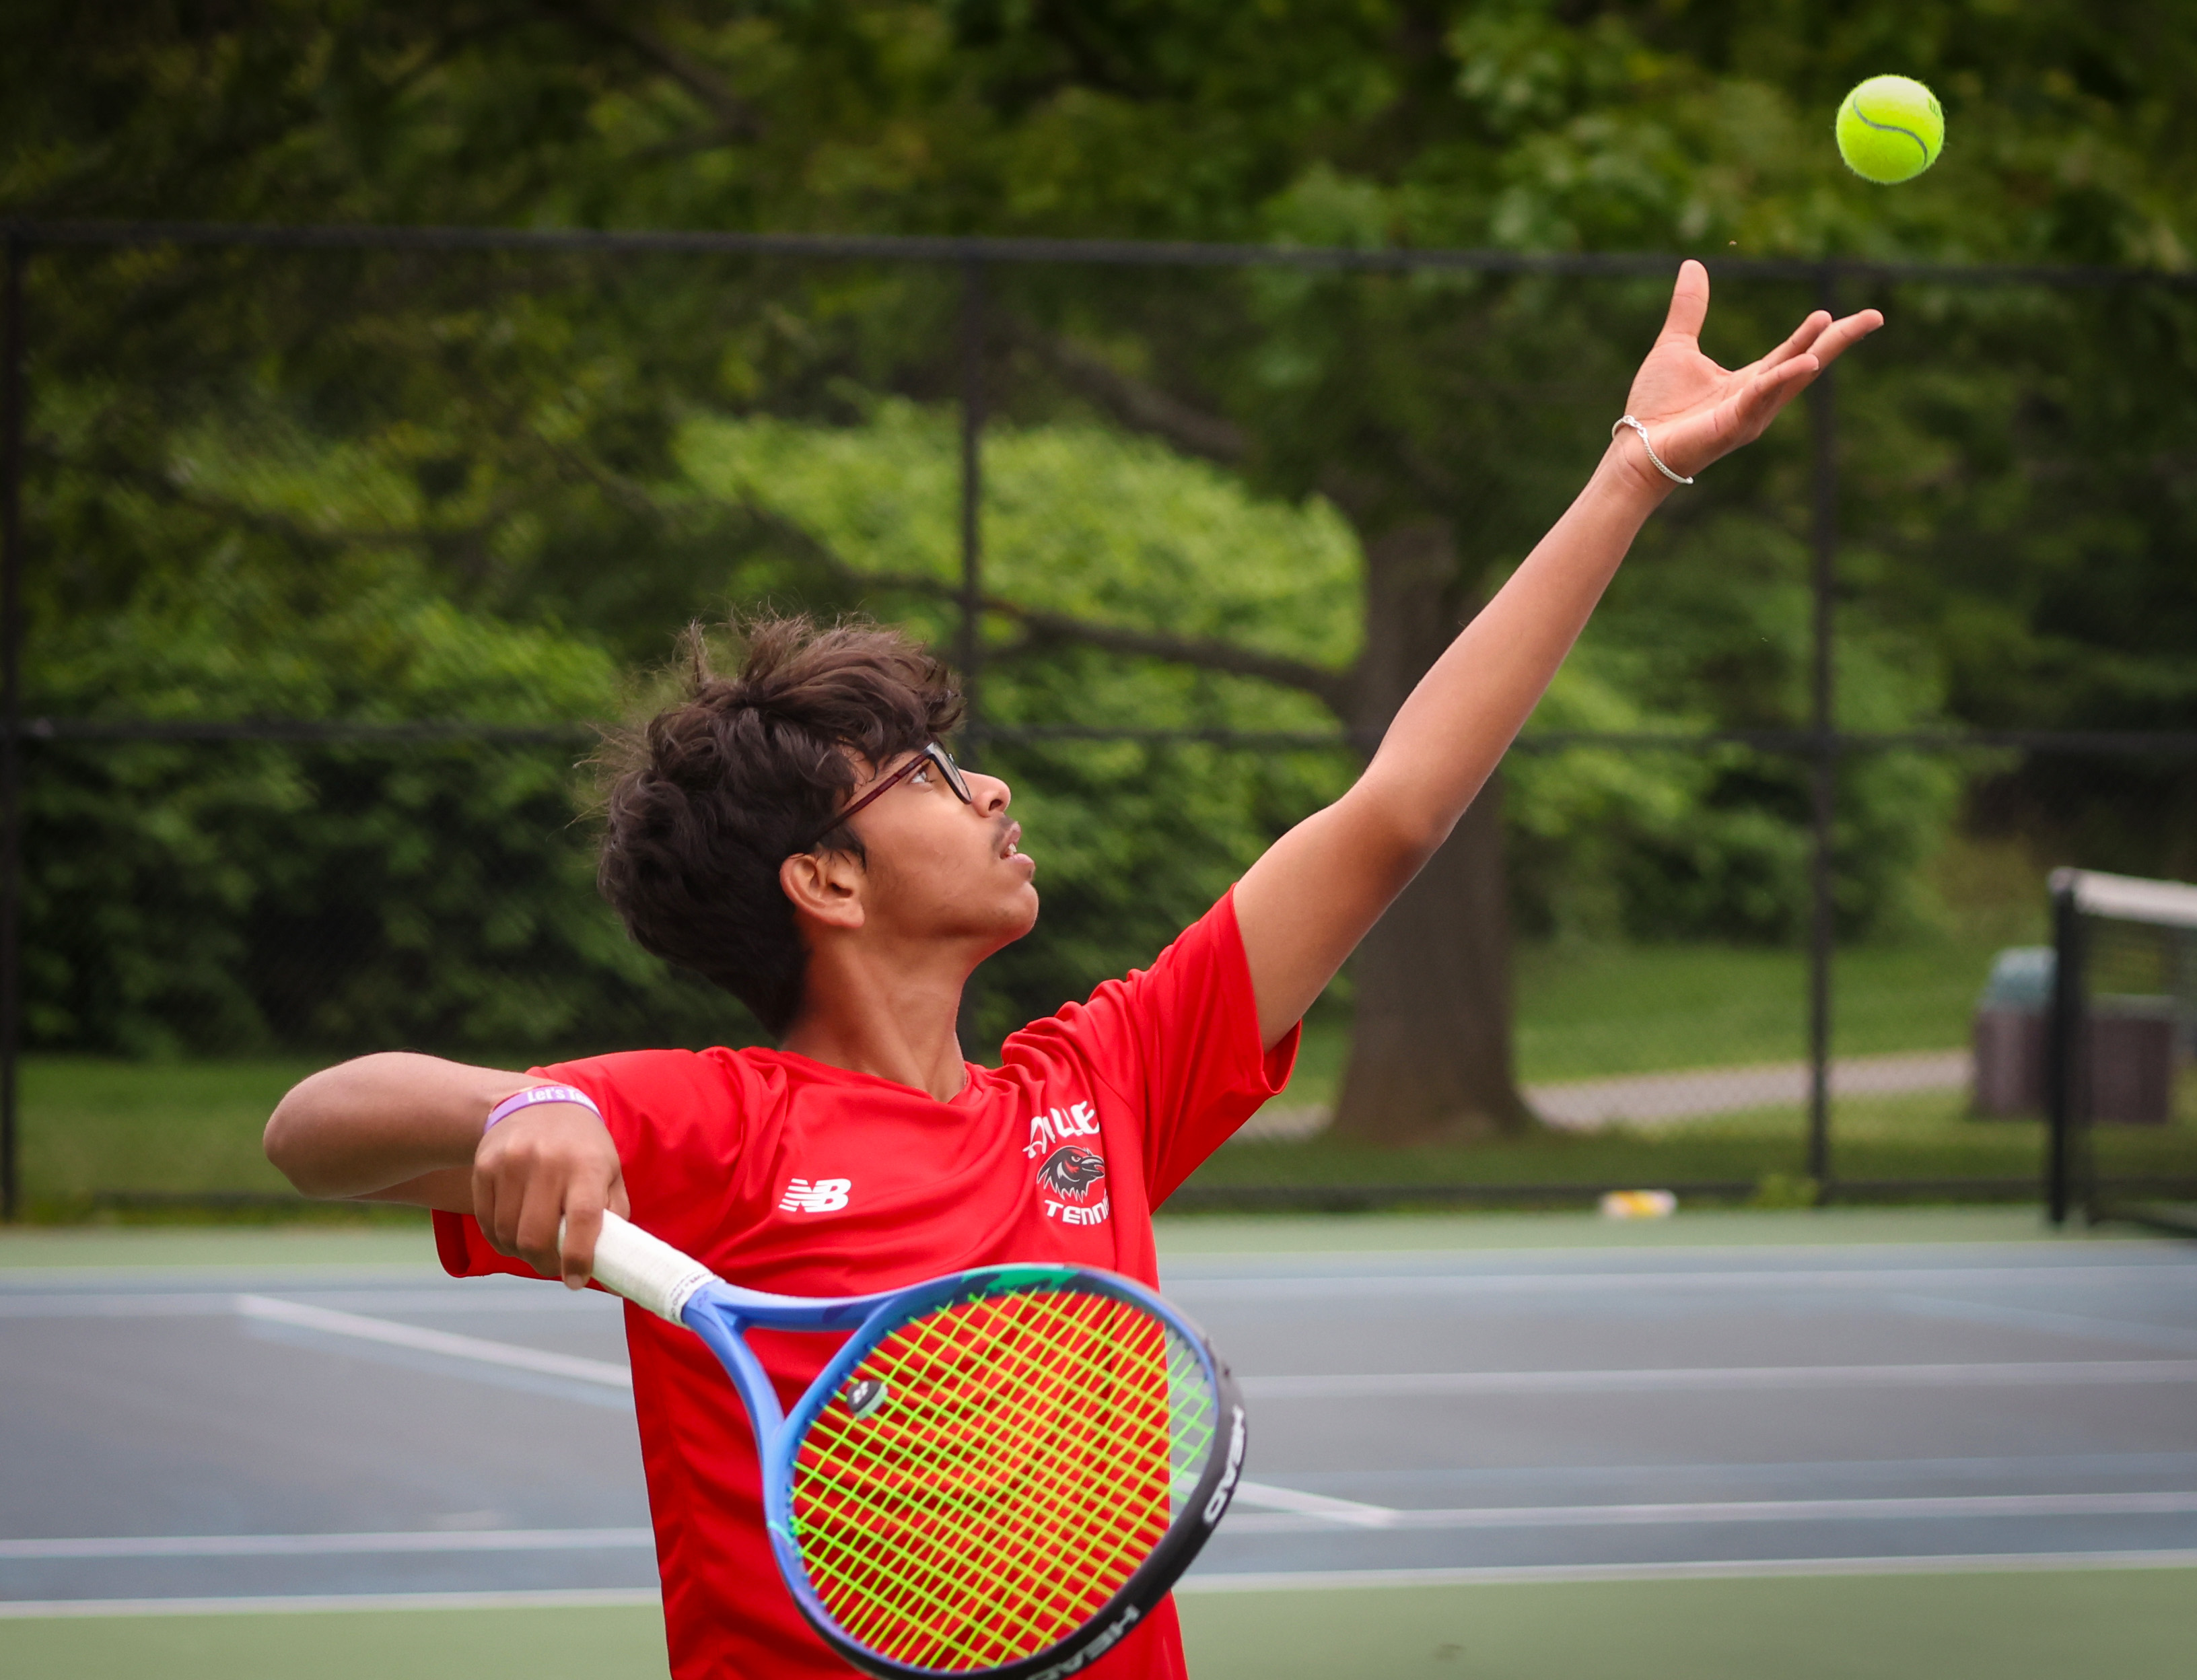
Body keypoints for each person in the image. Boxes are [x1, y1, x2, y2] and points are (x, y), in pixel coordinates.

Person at [264, 261, 1880, 1679]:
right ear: (822, 879)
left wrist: (1631, 473)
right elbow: (317, 1126)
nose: (991, 792)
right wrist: (526, 1105)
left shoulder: (1095, 1089)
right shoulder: (712, 1130)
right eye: (929, 780)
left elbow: (1392, 813)